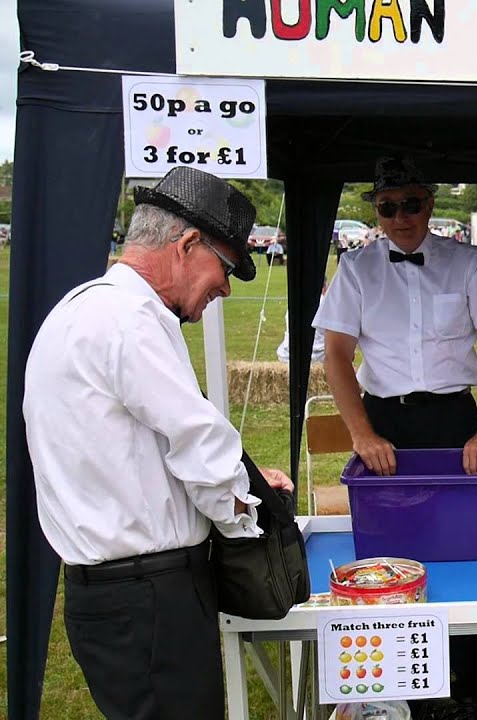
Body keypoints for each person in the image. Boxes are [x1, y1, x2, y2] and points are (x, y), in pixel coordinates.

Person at [23, 166, 295, 720]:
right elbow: (198, 442)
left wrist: (243, 478)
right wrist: (249, 515)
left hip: (121, 592)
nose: (222, 288)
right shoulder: (130, 318)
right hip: (149, 595)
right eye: (224, 269)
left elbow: (137, 445)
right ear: (187, 244)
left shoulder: (81, 308)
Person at [313, 155, 477, 720]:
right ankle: (396, 681)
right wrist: (361, 433)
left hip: (455, 418)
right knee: (389, 547)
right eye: (388, 207)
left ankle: (473, 684)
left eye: (413, 204)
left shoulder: (468, 261)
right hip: (386, 420)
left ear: (430, 202)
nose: (401, 217)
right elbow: (335, 354)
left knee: (464, 549)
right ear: (375, 210)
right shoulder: (355, 269)